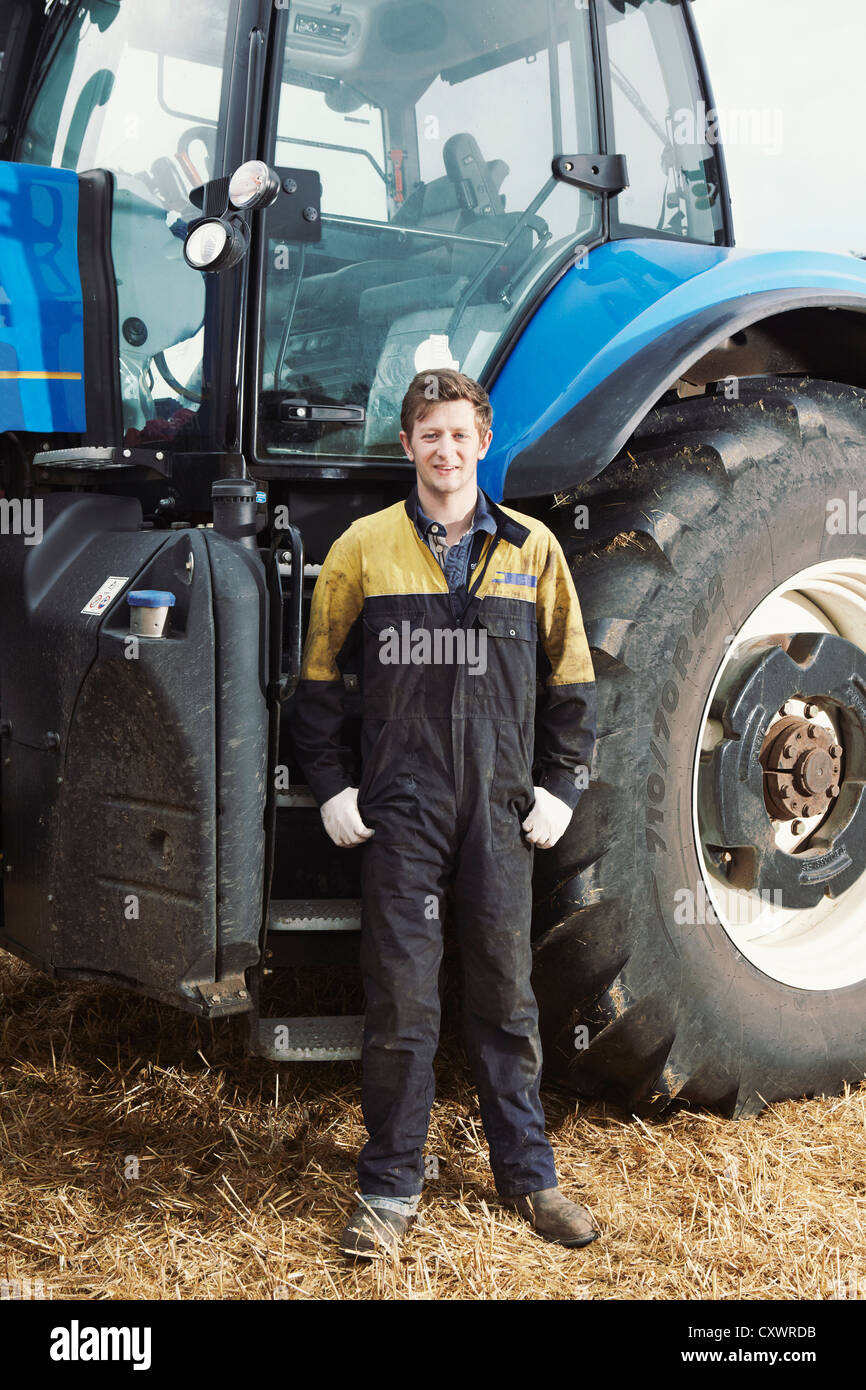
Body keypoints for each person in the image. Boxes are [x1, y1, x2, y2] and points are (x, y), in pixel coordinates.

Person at [289, 369, 600, 1259]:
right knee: (400, 1005)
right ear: (407, 445)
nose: (446, 449)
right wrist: (333, 788)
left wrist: (562, 787)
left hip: (502, 811)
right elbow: (316, 684)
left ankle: (530, 1178)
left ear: (483, 441)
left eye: (461, 433)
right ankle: (389, 1188)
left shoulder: (535, 549)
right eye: (430, 433)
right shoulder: (363, 547)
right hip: (403, 811)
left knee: (507, 998)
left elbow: (573, 684)